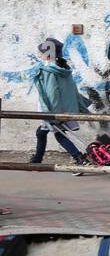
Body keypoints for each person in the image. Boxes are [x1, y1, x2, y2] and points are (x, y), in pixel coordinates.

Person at [29, 39, 90, 169]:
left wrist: (53, 114)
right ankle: (37, 160)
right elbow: (72, 90)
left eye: (41, 51)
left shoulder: (47, 70)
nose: (39, 53)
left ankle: (78, 157)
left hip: (52, 109)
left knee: (58, 134)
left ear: (48, 53)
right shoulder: (63, 68)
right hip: (64, 108)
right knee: (43, 133)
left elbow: (52, 93)